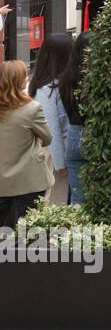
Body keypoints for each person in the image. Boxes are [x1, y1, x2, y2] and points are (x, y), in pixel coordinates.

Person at [0, 60, 54, 230]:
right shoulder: (32, 109)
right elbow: (48, 138)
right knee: (24, 235)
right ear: (20, 81)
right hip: (29, 181)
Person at [27, 33, 73, 204]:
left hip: (58, 152)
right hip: (54, 156)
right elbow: (51, 128)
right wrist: (60, 163)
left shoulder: (48, 85)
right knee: (56, 200)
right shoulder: (48, 89)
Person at [53, 31, 91, 205]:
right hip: (93, 135)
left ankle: (77, 232)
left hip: (74, 135)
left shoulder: (65, 79)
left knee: (78, 196)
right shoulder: (97, 79)